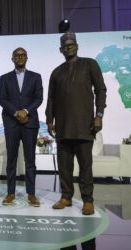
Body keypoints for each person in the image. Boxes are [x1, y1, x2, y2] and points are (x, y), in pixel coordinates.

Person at [45, 32, 107, 215]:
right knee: (64, 167)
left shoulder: (89, 64)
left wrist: (99, 115)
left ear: (77, 46)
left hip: (84, 126)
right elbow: (51, 99)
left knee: (85, 166)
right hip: (63, 127)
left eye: (72, 44)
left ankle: (88, 200)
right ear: (60, 49)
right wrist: (49, 120)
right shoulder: (56, 72)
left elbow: (101, 90)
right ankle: (66, 197)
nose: (69, 47)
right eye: (65, 45)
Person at [0, 47, 43, 207]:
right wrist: (16, 113)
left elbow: (39, 98)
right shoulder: (4, 78)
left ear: (27, 58)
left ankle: (31, 194)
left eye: (23, 55)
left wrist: (25, 111)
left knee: (30, 160)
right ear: (12, 59)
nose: (20, 57)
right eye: (17, 55)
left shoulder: (36, 77)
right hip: (11, 122)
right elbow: (2, 100)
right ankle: (10, 194)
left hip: (30, 122)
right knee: (11, 159)